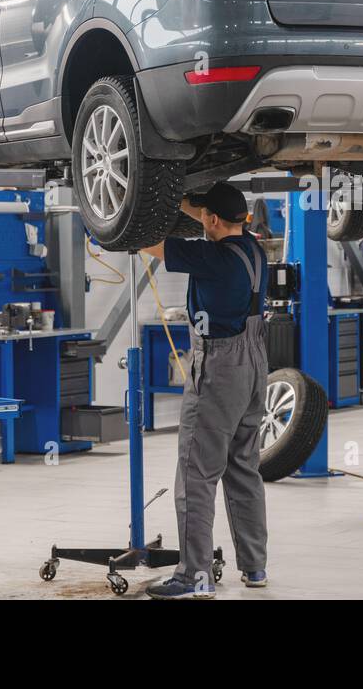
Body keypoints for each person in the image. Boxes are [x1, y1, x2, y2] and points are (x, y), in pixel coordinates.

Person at [140, 183, 268, 600]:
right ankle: (254, 567)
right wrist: (183, 201)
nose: (201, 221)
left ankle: (194, 575)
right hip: (253, 362)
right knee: (243, 467)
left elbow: (148, 243)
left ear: (213, 220)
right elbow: (208, 219)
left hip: (219, 367)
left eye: (203, 216)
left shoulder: (209, 257)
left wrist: (113, 218)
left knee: (196, 473)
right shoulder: (252, 249)